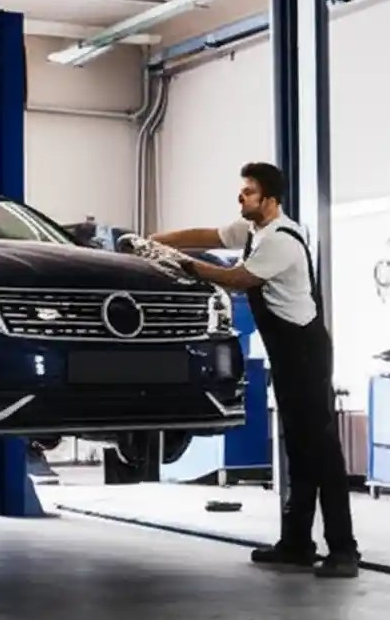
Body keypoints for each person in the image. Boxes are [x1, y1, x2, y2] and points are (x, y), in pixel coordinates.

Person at [149, 161, 360, 578]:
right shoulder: (252, 230)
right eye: (242, 190)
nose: (241, 197)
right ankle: (297, 543)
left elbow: (236, 279)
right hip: (287, 354)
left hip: (305, 353)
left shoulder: (280, 239)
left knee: (322, 453)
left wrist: (181, 265)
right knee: (298, 449)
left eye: (248, 191)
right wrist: (158, 240)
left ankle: (345, 550)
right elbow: (209, 236)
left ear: (270, 199)